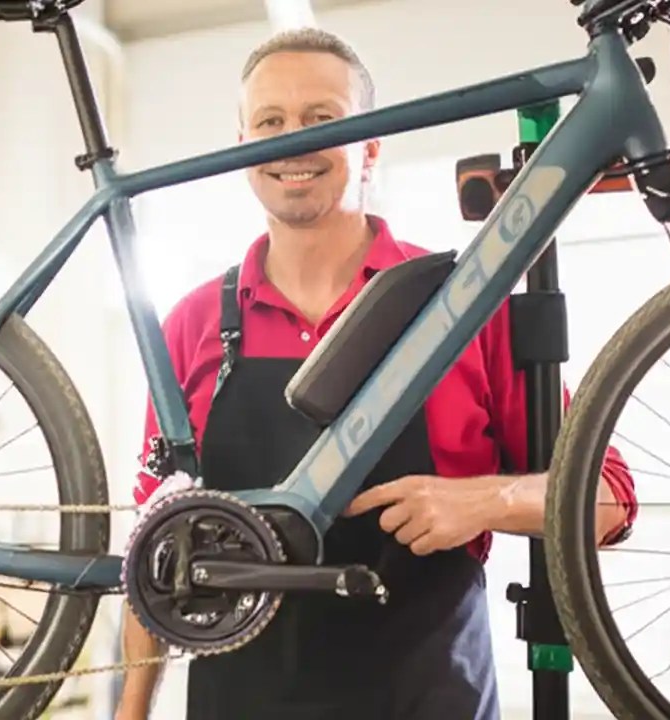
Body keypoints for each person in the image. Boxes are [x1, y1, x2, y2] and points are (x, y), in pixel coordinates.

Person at [113, 26, 639, 720]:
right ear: (244, 146)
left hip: (427, 701)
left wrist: (481, 502)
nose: (291, 142)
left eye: (321, 119)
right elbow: (152, 544)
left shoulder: (460, 306)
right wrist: (129, 711)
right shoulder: (190, 325)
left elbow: (609, 499)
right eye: (270, 122)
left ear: (370, 144)